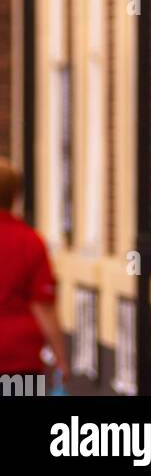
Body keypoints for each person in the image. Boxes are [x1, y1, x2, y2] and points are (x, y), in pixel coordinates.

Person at [0, 158, 69, 388]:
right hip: (20, 362)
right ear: (14, 196)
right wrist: (61, 358)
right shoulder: (30, 241)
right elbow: (44, 307)